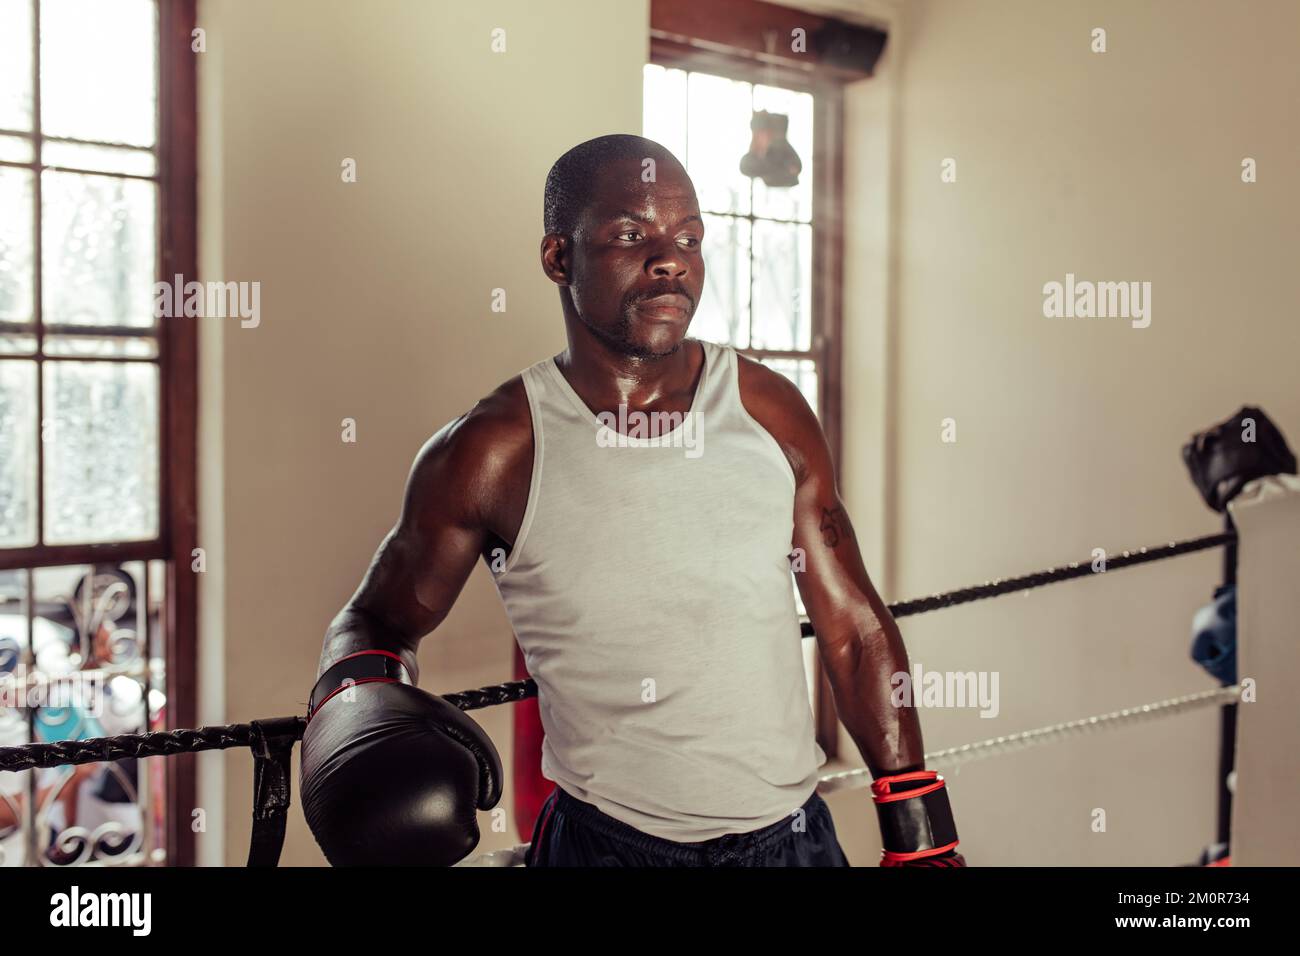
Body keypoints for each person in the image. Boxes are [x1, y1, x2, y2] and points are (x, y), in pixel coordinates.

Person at [301, 134, 965, 867]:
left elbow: (853, 627)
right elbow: (374, 620)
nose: (670, 259)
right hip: (609, 849)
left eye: (688, 237)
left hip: (796, 842)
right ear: (560, 257)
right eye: (630, 235)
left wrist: (921, 829)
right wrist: (357, 713)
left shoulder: (768, 410)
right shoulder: (494, 452)